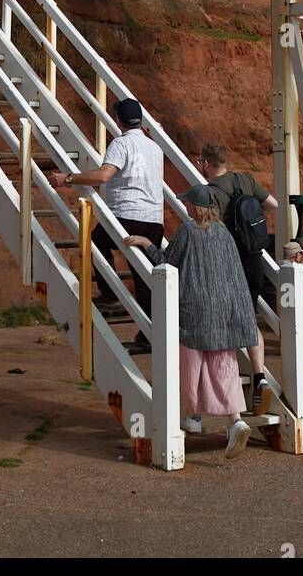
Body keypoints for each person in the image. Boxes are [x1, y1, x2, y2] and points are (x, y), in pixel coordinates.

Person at [125, 181, 257, 458]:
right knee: (224, 364)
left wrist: (147, 243)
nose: (184, 206)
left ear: (194, 207)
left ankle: (193, 416)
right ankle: (236, 420)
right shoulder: (225, 234)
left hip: (196, 308)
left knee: (192, 363)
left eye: (187, 203)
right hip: (225, 309)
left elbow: (166, 262)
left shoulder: (187, 232)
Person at [52, 98, 162, 354]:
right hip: (154, 219)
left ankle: (110, 295)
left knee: (96, 242)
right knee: (144, 277)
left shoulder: (121, 143)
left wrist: (68, 178)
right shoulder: (154, 147)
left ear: (118, 121)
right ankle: (151, 333)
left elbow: (103, 176)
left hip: (127, 214)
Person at [195, 141, 277, 414]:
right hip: (254, 260)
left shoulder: (210, 193)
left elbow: (209, 231)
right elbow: (272, 204)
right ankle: (259, 377)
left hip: (231, 265)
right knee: (249, 318)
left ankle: (228, 401)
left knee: (226, 323)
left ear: (206, 163)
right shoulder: (246, 180)